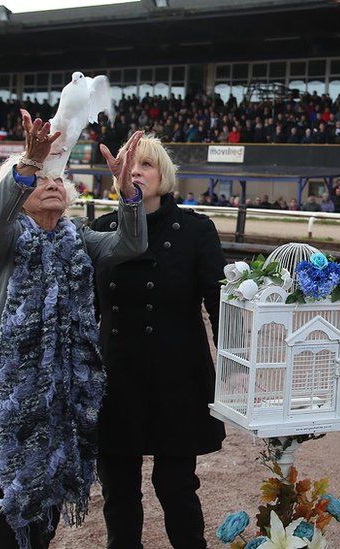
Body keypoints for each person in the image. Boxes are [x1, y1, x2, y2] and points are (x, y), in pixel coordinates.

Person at [0, 112, 147, 548]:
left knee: (51, 494)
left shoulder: (81, 240)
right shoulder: (5, 241)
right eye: (41, 180)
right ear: (19, 197)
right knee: (8, 500)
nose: (52, 184)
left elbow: (130, 244)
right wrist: (26, 165)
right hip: (10, 385)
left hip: (66, 386)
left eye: (58, 180)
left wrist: (129, 195)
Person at [91, 134, 227, 549]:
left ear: (163, 174)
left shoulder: (196, 230)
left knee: (176, 487)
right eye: (129, 164)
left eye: (146, 165)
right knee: (119, 491)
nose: (136, 171)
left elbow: (219, 303)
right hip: (116, 376)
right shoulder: (100, 230)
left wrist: (239, 368)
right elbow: (86, 312)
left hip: (177, 378)